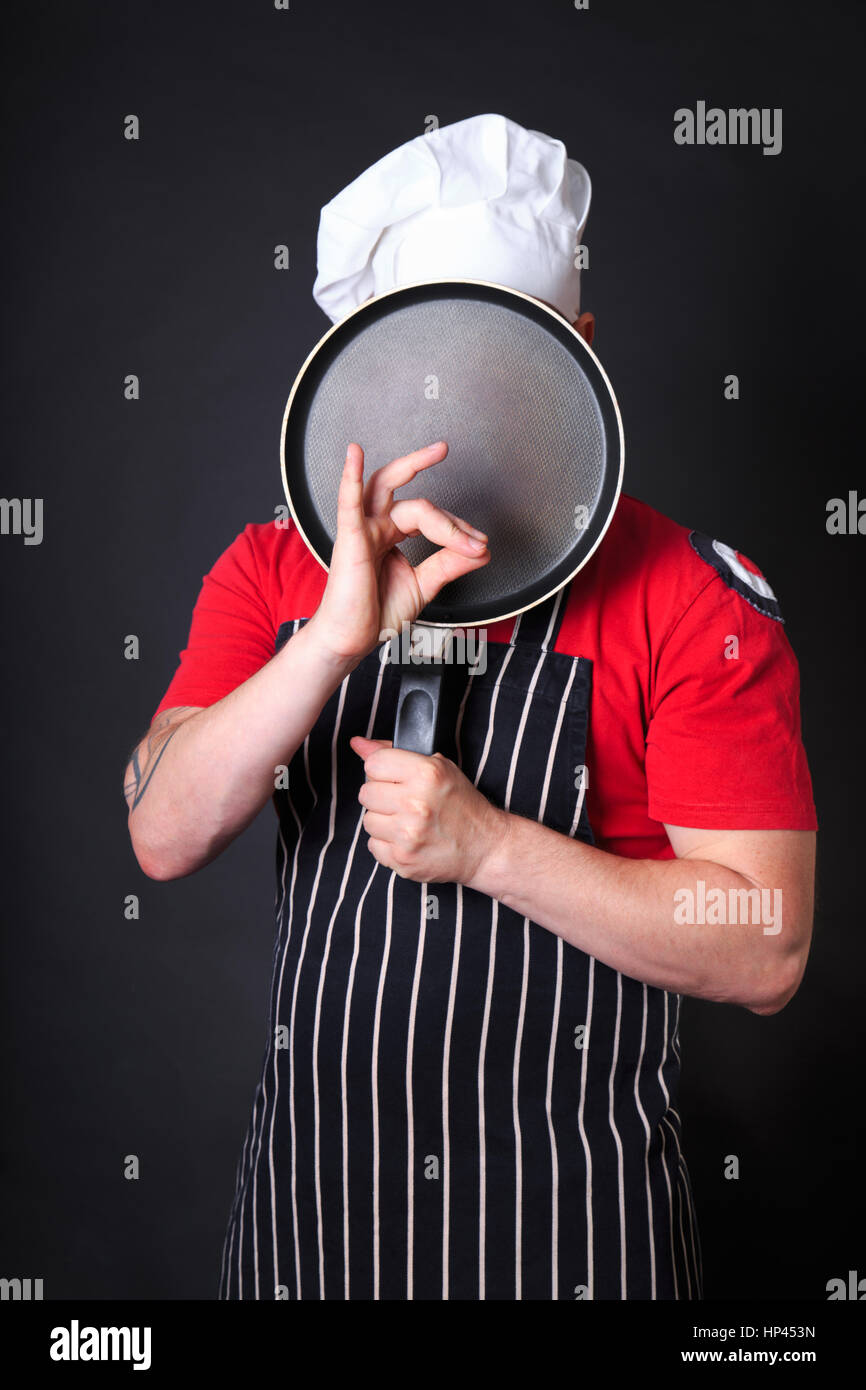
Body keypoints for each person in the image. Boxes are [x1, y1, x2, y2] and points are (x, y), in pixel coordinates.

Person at [123, 114, 817, 1301]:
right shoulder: (270, 573)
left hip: (572, 1239)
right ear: (361, 361)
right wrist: (334, 642)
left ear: (581, 349)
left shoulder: (690, 597)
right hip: (310, 1226)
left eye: (511, 353)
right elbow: (162, 830)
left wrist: (490, 846)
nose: (467, 398)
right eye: (426, 356)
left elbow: (766, 946)